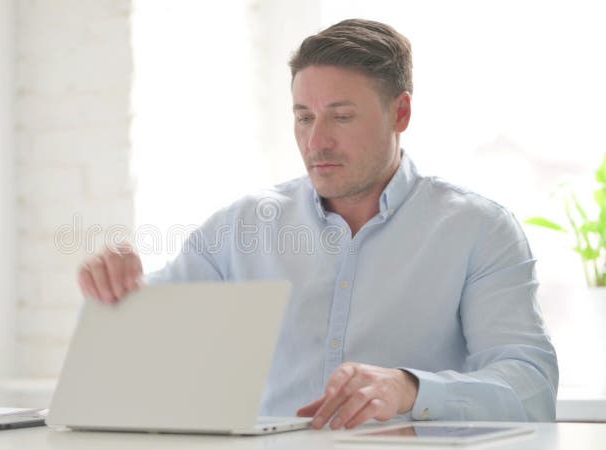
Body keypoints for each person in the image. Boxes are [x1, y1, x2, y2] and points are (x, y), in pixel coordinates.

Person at [77, 19, 558, 429]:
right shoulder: (241, 226)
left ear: (401, 113)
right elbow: (141, 348)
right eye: (303, 117)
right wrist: (116, 287)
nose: (317, 141)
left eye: (341, 116)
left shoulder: (478, 230)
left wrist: (410, 388)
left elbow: (530, 387)